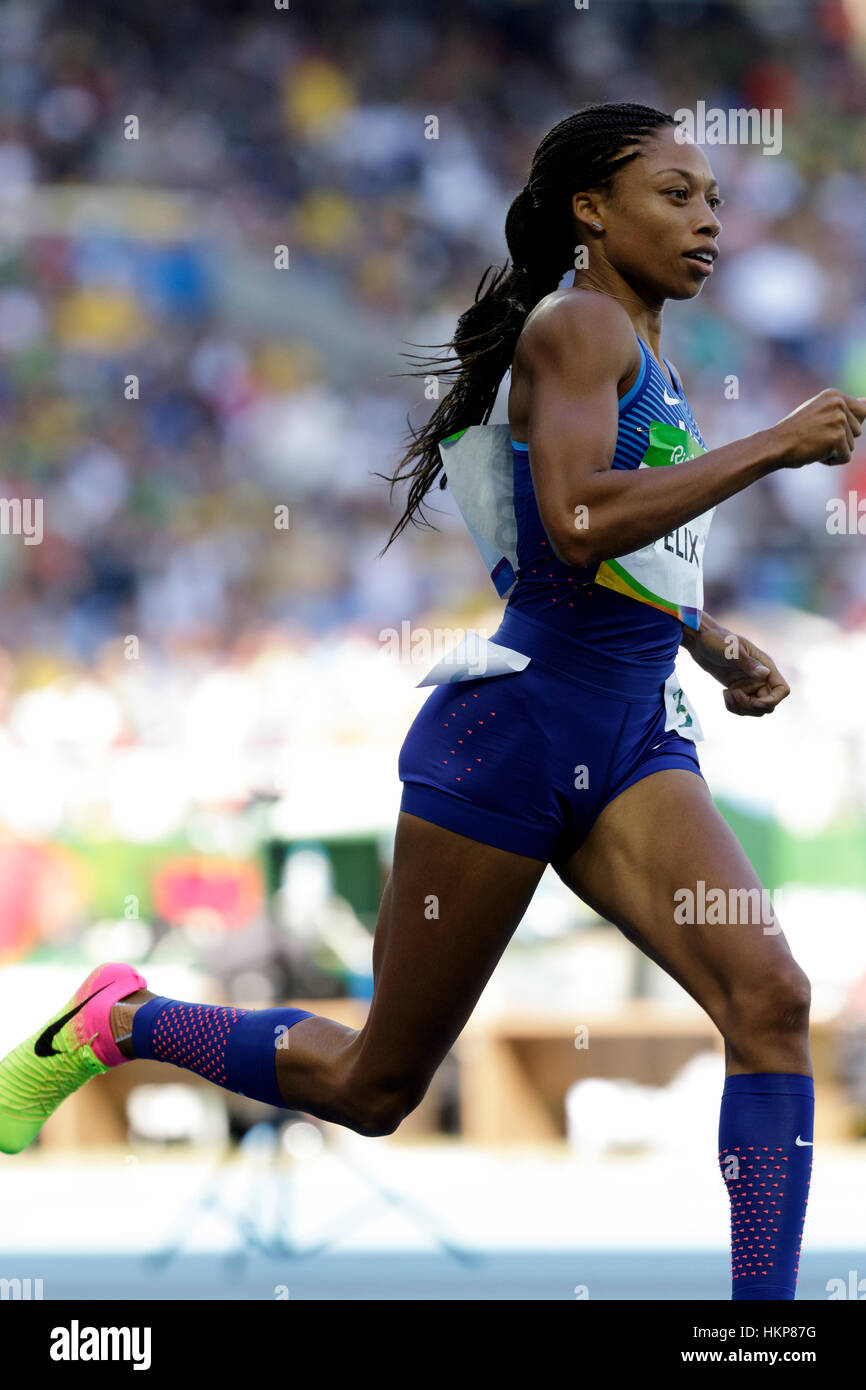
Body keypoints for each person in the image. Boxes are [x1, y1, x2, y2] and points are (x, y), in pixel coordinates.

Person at [1, 102, 863, 1302]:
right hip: (511, 738)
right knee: (371, 1087)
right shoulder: (576, 329)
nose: (707, 219)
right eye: (674, 194)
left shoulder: (642, 351)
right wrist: (773, 444)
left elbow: (583, 550)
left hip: (628, 732)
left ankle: (761, 1329)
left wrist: (707, 640)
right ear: (589, 210)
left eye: (713, 198)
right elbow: (574, 523)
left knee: (766, 998)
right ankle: (121, 1021)